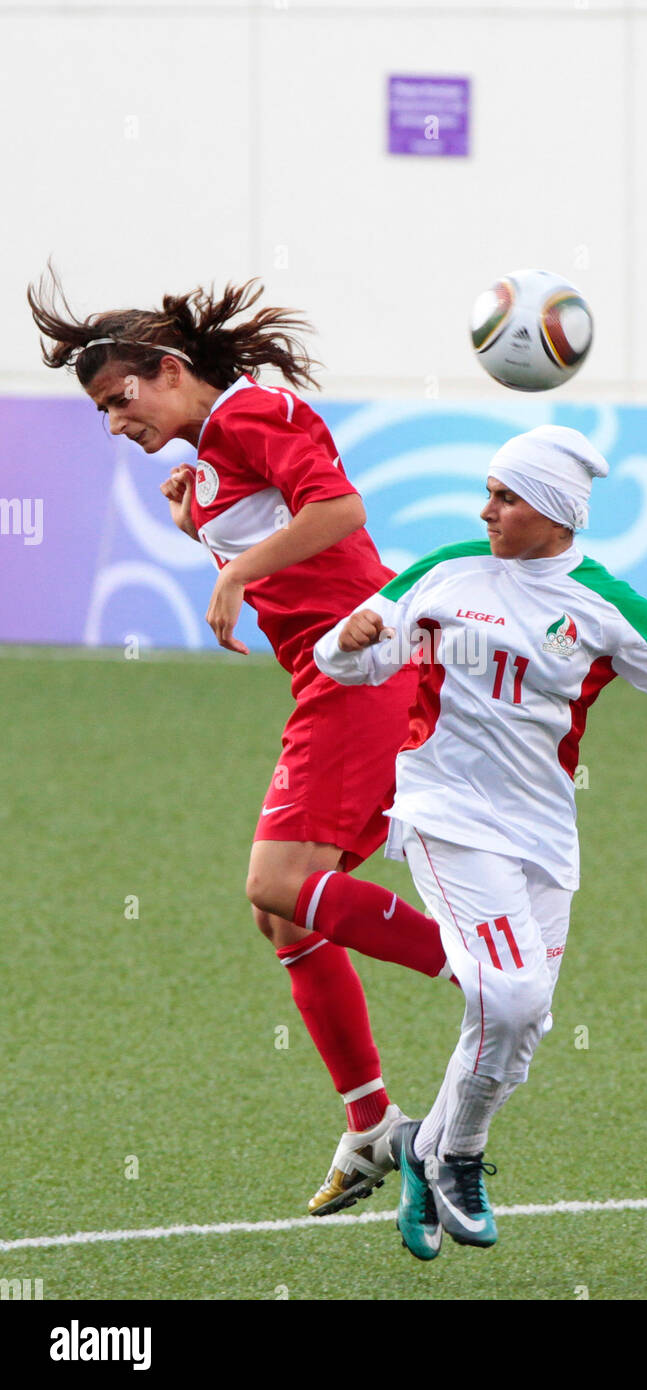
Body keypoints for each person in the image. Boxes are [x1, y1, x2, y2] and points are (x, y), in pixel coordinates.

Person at [26, 270, 455, 1216]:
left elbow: (340, 511)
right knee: (286, 916)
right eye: (100, 412)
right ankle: (375, 1123)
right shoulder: (214, 455)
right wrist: (205, 538)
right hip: (334, 679)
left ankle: (483, 970)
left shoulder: (252, 411)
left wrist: (232, 575)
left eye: (118, 399)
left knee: (271, 884)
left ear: (168, 370)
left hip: (363, 668)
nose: (113, 424)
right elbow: (289, 540)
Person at [298, 424, 647, 1259]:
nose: (487, 510)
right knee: (503, 996)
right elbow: (347, 664)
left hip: (542, 833)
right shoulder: (446, 570)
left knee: (525, 1019)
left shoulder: (606, 604)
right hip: (444, 814)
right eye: (489, 493)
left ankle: (422, 1150)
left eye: (505, 497)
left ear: (552, 510)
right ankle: (458, 1159)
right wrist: (346, 641)